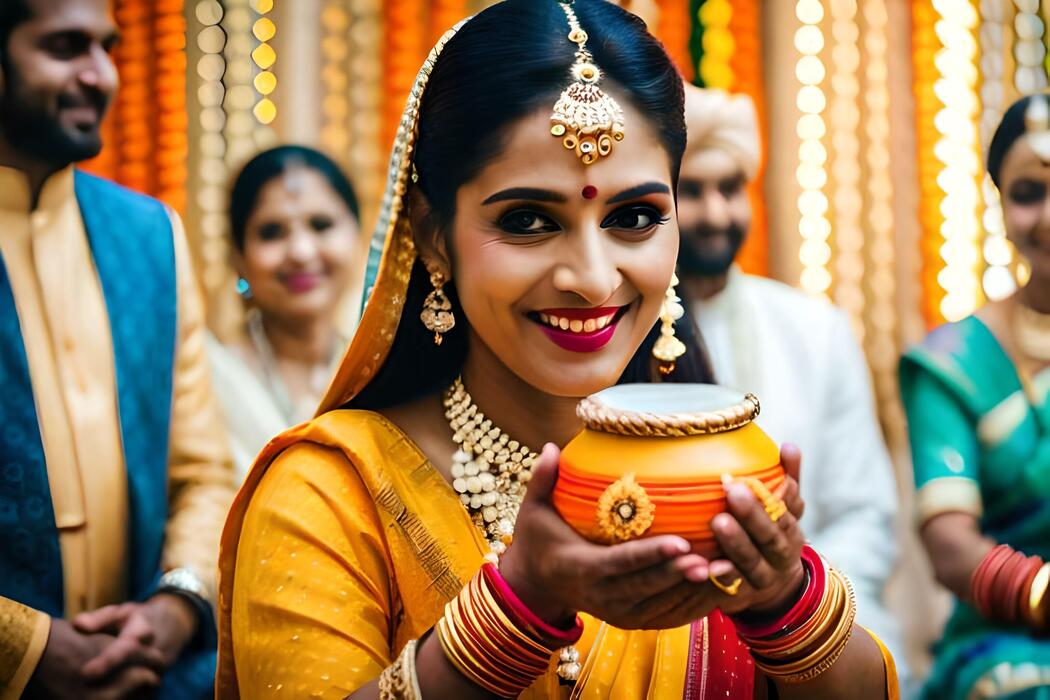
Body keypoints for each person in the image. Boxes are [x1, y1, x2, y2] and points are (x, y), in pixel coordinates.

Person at [216, 1, 898, 698]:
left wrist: (785, 602)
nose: (593, 277)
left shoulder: (714, 473)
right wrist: (517, 612)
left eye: (634, 217)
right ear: (433, 236)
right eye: (529, 220)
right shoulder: (330, 496)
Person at [0, 1, 234, 698]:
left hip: (150, 675)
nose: (101, 75)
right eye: (66, 47)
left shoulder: (149, 236)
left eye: (107, 47)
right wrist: (28, 650)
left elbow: (204, 471)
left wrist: (178, 603)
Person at [675, 85, 906, 673]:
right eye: (691, 191)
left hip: (808, 608)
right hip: (665, 630)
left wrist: (788, 600)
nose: (716, 213)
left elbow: (865, 514)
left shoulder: (814, 328)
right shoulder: (616, 335)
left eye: (730, 189)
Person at [900, 93, 1050, 700]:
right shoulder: (951, 364)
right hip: (1008, 637)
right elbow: (950, 547)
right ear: (999, 204)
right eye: (1026, 193)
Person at [207, 145, 360, 480]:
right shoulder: (209, 382)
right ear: (238, 256)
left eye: (320, 225)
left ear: (358, 235)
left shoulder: (378, 370)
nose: (301, 252)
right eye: (271, 232)